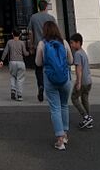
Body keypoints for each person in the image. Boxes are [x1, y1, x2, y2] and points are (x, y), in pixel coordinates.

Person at [35, 21, 73, 151]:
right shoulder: (64, 42)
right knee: (64, 106)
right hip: (65, 80)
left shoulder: (42, 44)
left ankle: (60, 139)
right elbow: (71, 61)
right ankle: (65, 134)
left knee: (55, 108)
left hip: (50, 80)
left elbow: (38, 63)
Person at [28, 0, 57, 102]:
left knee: (39, 69)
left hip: (38, 47)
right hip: (50, 47)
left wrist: (31, 46)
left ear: (38, 7)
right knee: (50, 68)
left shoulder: (33, 17)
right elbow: (56, 33)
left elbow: (30, 33)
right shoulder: (51, 18)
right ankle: (50, 90)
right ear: (46, 7)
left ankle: (40, 85)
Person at [69, 33, 93, 129]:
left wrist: (78, 82)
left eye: (72, 43)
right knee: (85, 99)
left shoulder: (77, 54)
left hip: (82, 81)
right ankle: (88, 119)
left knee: (74, 98)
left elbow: (79, 69)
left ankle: (86, 116)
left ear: (78, 43)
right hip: (88, 81)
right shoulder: (83, 52)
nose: (71, 45)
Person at [0, 30, 28, 101]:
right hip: (21, 62)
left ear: (12, 34)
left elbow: (5, 51)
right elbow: (25, 53)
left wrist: (2, 60)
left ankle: (13, 90)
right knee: (20, 79)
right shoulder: (22, 43)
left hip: (12, 62)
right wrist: (29, 52)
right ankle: (20, 95)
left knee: (13, 76)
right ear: (20, 34)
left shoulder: (9, 42)